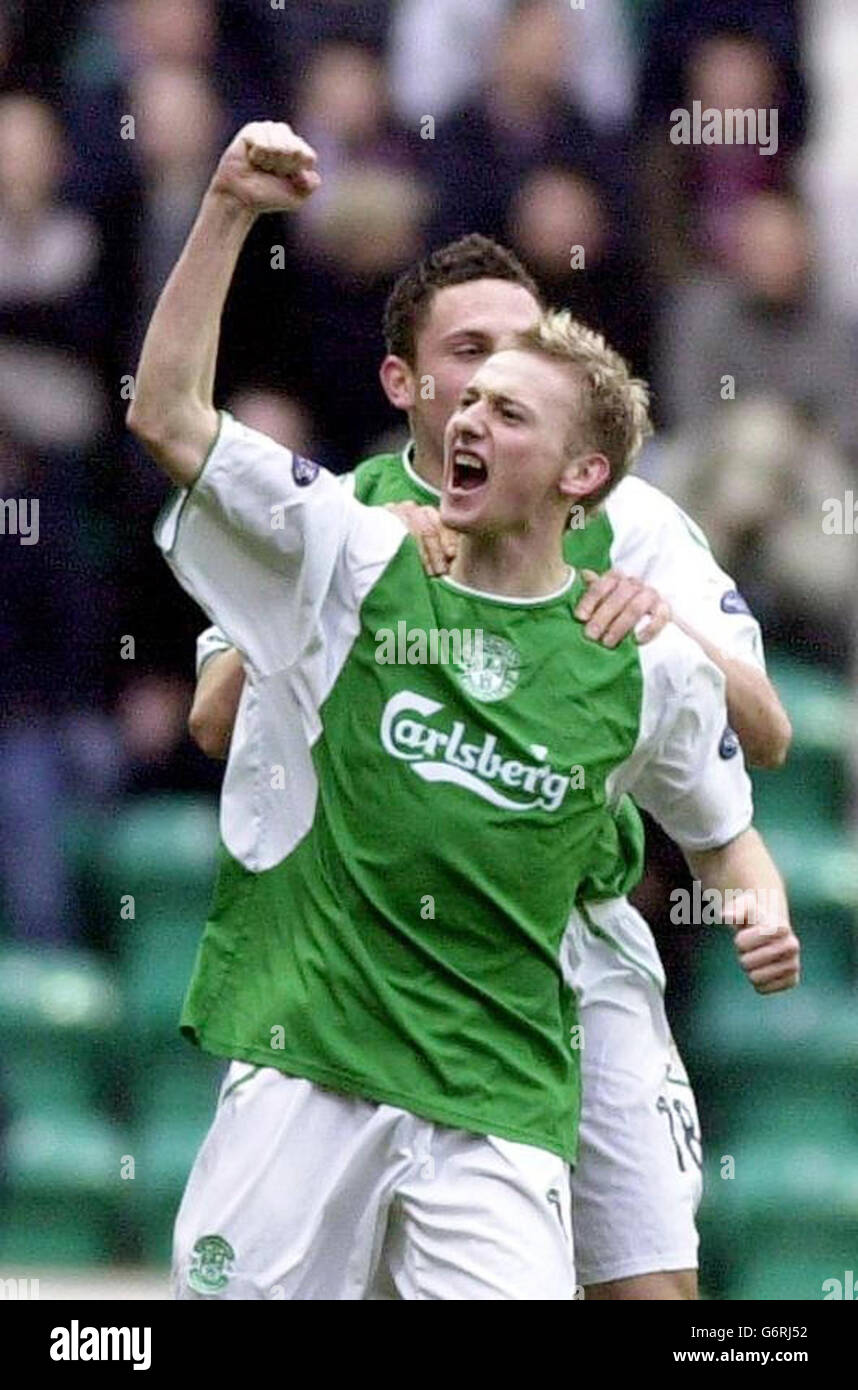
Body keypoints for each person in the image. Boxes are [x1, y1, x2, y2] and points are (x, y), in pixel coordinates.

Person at [128, 121, 800, 1301]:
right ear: (411, 384)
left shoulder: (630, 557)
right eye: (472, 364)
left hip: (552, 970)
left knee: (653, 1292)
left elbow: (757, 740)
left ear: (580, 464)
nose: (489, 395)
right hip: (329, 992)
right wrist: (329, 606)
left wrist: (663, 623)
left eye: (520, 364)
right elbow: (213, 697)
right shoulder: (344, 532)